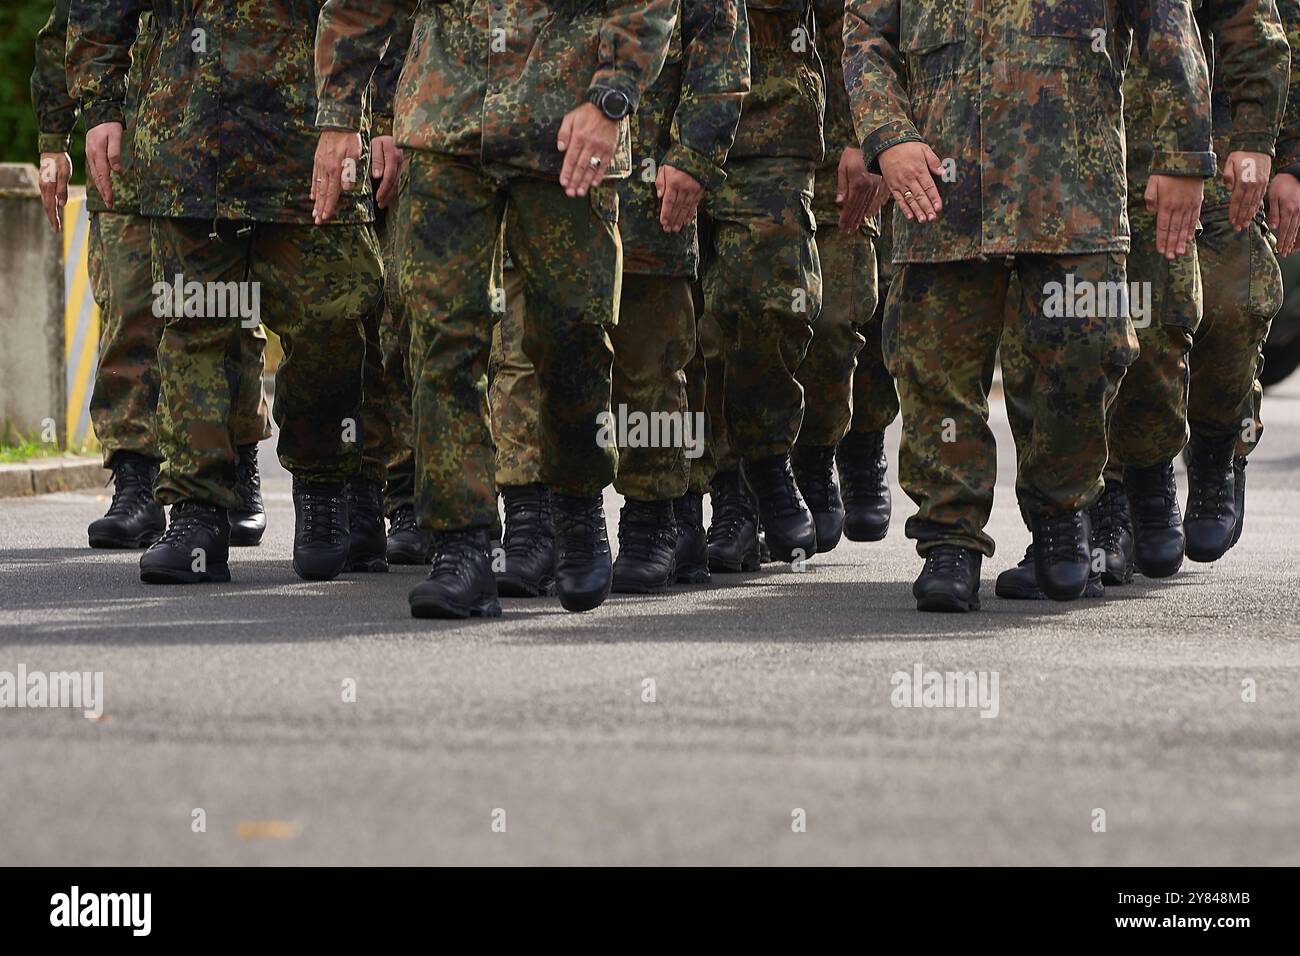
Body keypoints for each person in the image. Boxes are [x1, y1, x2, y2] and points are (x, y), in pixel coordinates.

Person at [844, 0, 1214, 611]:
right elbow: (865, 34)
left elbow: (1168, 25)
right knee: (934, 369)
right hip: (941, 188)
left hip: (1072, 183)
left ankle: (1064, 514)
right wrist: (888, 135)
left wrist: (1184, 158)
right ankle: (949, 540)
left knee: (1085, 352)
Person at [313, 0, 678, 616]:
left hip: (566, 126)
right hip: (444, 121)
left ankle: (577, 505)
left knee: (573, 333)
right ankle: (462, 545)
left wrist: (612, 97)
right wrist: (339, 115)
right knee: (440, 338)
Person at [68, 0, 392, 585]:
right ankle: (198, 511)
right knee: (194, 329)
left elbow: (377, 11)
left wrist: (373, 118)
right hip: (185, 133)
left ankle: (324, 486)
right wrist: (98, 107)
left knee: (333, 319)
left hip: (309, 135)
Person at [999, 0, 1290, 600]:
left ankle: (1215, 445)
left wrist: (1276, 151)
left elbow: (1257, 30)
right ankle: (1104, 511)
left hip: (1199, 159)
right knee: (1088, 336)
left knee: (1232, 310)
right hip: (1076, 166)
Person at [487, 0, 751, 595]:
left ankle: (652, 517)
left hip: (649, 173)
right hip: (544, 164)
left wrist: (693, 157)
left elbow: (721, 50)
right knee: (528, 351)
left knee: (649, 358)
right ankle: (531, 522)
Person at [33, 0, 269, 551]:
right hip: (123, 157)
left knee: (226, 307)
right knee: (130, 312)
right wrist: (52, 142)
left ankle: (238, 465)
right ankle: (135, 482)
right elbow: (64, 31)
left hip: (212, 147)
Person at [699, 0, 826, 573]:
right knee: (678, 319)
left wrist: (856, 137)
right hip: (655, 113)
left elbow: (855, 23)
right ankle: (707, 496)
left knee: (764, 304)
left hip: (767, 119)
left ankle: (765, 460)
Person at [789, 0, 889, 555]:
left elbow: (878, 29)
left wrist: (868, 132)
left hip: (854, 143)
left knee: (852, 316)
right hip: (761, 137)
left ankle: (852, 443)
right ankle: (771, 475)